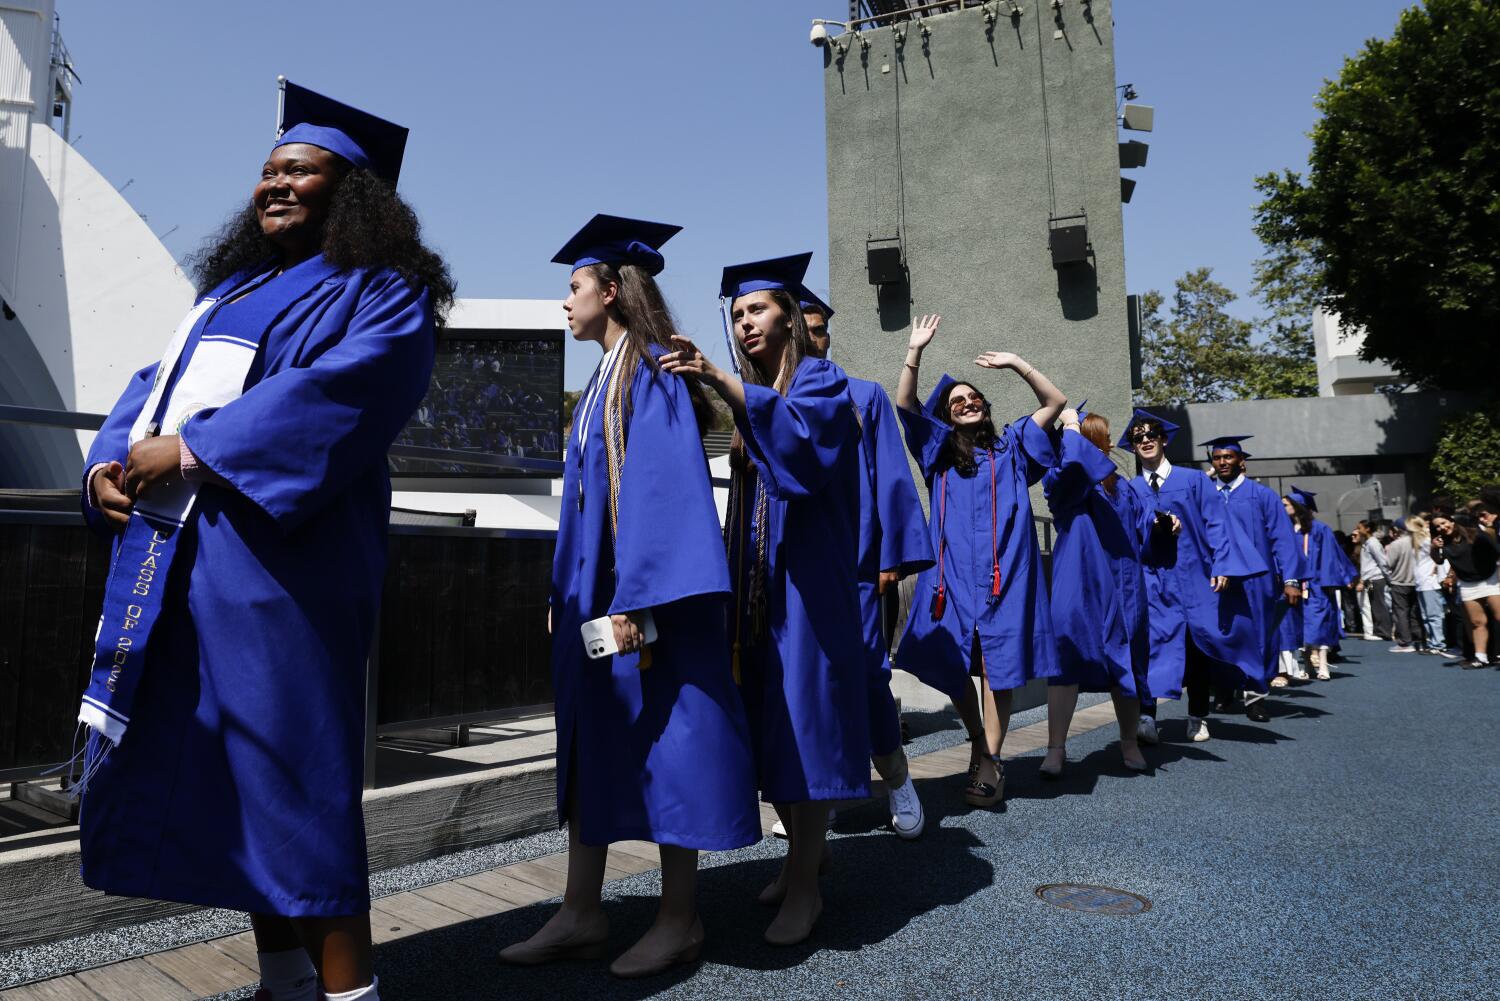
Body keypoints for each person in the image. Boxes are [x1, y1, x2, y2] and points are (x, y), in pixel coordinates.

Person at [76, 83, 452, 1001]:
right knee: (234, 783)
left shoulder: (381, 292)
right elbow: (146, 387)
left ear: (351, 191)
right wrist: (103, 467)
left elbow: (345, 393)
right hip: (185, 571)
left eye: (300, 170)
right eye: (268, 170)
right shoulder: (229, 291)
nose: (275, 184)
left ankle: (350, 993)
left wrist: (198, 445)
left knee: (297, 789)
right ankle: (283, 981)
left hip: (286, 583)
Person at [501, 216, 760, 978]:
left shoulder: (652, 372)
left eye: (574, 287)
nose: (565, 302)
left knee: (668, 745)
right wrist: (566, 592)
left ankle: (679, 918)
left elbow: (665, 499)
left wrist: (637, 608)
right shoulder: (600, 384)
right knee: (593, 747)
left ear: (610, 290)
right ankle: (582, 912)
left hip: (648, 610)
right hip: (598, 605)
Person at [661, 252, 865, 947]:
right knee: (768, 719)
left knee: (804, 727)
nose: (745, 322)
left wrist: (719, 381)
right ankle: (805, 856)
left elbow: (804, 454)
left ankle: (806, 886)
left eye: (758, 310)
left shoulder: (823, 382)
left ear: (789, 317)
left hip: (808, 591)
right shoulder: (755, 390)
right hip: (755, 588)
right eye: (738, 314)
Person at [892, 315, 1064, 806]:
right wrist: (914, 351)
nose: (966, 404)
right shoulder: (936, 453)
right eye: (956, 403)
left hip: (1003, 576)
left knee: (997, 666)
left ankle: (991, 763)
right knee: (950, 665)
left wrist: (1016, 364)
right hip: (948, 579)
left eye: (973, 400)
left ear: (985, 409)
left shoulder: (1012, 448)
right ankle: (978, 741)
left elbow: (1055, 403)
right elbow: (905, 403)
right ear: (947, 416)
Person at [800, 288, 933, 838]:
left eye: (819, 328)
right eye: (802, 327)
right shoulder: (766, 398)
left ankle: (898, 777)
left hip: (853, 569)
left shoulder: (862, 396)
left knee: (867, 681)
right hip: (794, 574)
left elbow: (890, 476)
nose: (812, 337)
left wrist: (889, 559)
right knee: (808, 684)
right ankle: (822, 790)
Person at [1121, 411, 1263, 743]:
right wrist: (1151, 526)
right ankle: (1146, 716)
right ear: (1133, 446)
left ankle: (1198, 715)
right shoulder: (1131, 489)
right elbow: (1125, 535)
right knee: (1150, 646)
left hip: (1195, 576)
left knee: (1198, 644)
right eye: (1138, 436)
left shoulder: (1194, 480)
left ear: (1164, 439)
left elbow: (1217, 523)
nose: (1145, 439)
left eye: (1151, 434)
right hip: (1151, 580)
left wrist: (1224, 565)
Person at [1041, 407, 1151, 774]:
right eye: (1093, 438)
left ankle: (1129, 742)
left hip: (1123, 583)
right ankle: (1056, 748)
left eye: (1098, 439)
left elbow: (1142, 535)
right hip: (1080, 582)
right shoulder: (1064, 481)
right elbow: (1073, 469)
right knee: (1067, 659)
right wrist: (1070, 427)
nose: (1101, 445)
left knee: (1127, 662)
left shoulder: (1124, 489)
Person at [1200, 436, 1305, 722]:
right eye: (1217, 457)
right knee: (1220, 633)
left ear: (1241, 461)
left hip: (1257, 580)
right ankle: (1224, 688)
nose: (1222, 462)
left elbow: (1283, 540)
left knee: (1260, 635)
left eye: (1228, 457)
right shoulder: (1205, 494)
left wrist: (1292, 580)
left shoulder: (1263, 496)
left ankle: (1256, 696)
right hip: (1217, 579)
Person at [1283, 487, 1358, 679]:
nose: (1282, 508)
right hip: (1293, 586)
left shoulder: (1320, 530)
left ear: (1298, 507)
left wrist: (1328, 582)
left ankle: (1323, 663)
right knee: (1300, 627)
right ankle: (1308, 664)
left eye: (1286, 505)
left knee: (1319, 625)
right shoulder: (1285, 530)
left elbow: (1330, 558)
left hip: (1316, 587)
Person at [1430, 511, 1500, 669]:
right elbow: (1439, 561)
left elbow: (1495, 552)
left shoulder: (1474, 533)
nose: (1442, 527)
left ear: (1452, 521)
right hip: (1468, 583)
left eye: (1444, 522)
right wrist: (1434, 548)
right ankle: (1481, 657)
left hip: (1490, 579)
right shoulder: (1443, 542)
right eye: (1438, 526)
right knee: (1477, 622)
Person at [1408, 514, 1451, 655]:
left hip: (1429, 582)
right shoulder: (1417, 541)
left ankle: (1439, 643)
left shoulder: (1426, 540)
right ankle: (1433, 642)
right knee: (1426, 616)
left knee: (1434, 615)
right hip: (1421, 582)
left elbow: (1439, 555)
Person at [1383, 519, 1422, 654]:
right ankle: (1419, 639)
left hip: (1399, 582)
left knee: (1401, 613)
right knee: (1415, 612)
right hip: (1417, 582)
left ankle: (1405, 642)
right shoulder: (1419, 542)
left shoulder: (1396, 544)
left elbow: (1388, 564)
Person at [1358, 521, 1394, 641]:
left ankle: (1385, 631)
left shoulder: (1373, 543)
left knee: (1379, 605)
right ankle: (1379, 630)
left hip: (1376, 578)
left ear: (1367, 529)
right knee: (1374, 604)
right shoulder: (1367, 543)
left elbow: (1382, 561)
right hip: (1370, 579)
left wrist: (1389, 577)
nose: (1358, 530)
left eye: (1360, 528)